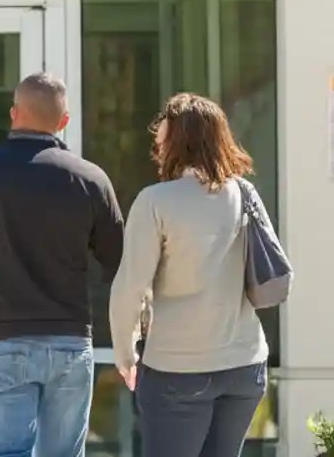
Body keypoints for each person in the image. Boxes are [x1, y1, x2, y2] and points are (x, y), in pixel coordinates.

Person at [0, 72, 126, 457]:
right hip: (69, 339)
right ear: (64, 121)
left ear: (14, 113)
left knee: (7, 453)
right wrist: (117, 333)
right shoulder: (90, 179)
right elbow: (122, 266)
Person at [109, 93, 270, 457]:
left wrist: (125, 355)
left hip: (178, 369)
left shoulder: (155, 202)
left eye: (161, 139)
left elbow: (130, 290)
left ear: (177, 143)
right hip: (246, 364)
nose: (157, 147)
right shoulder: (245, 194)